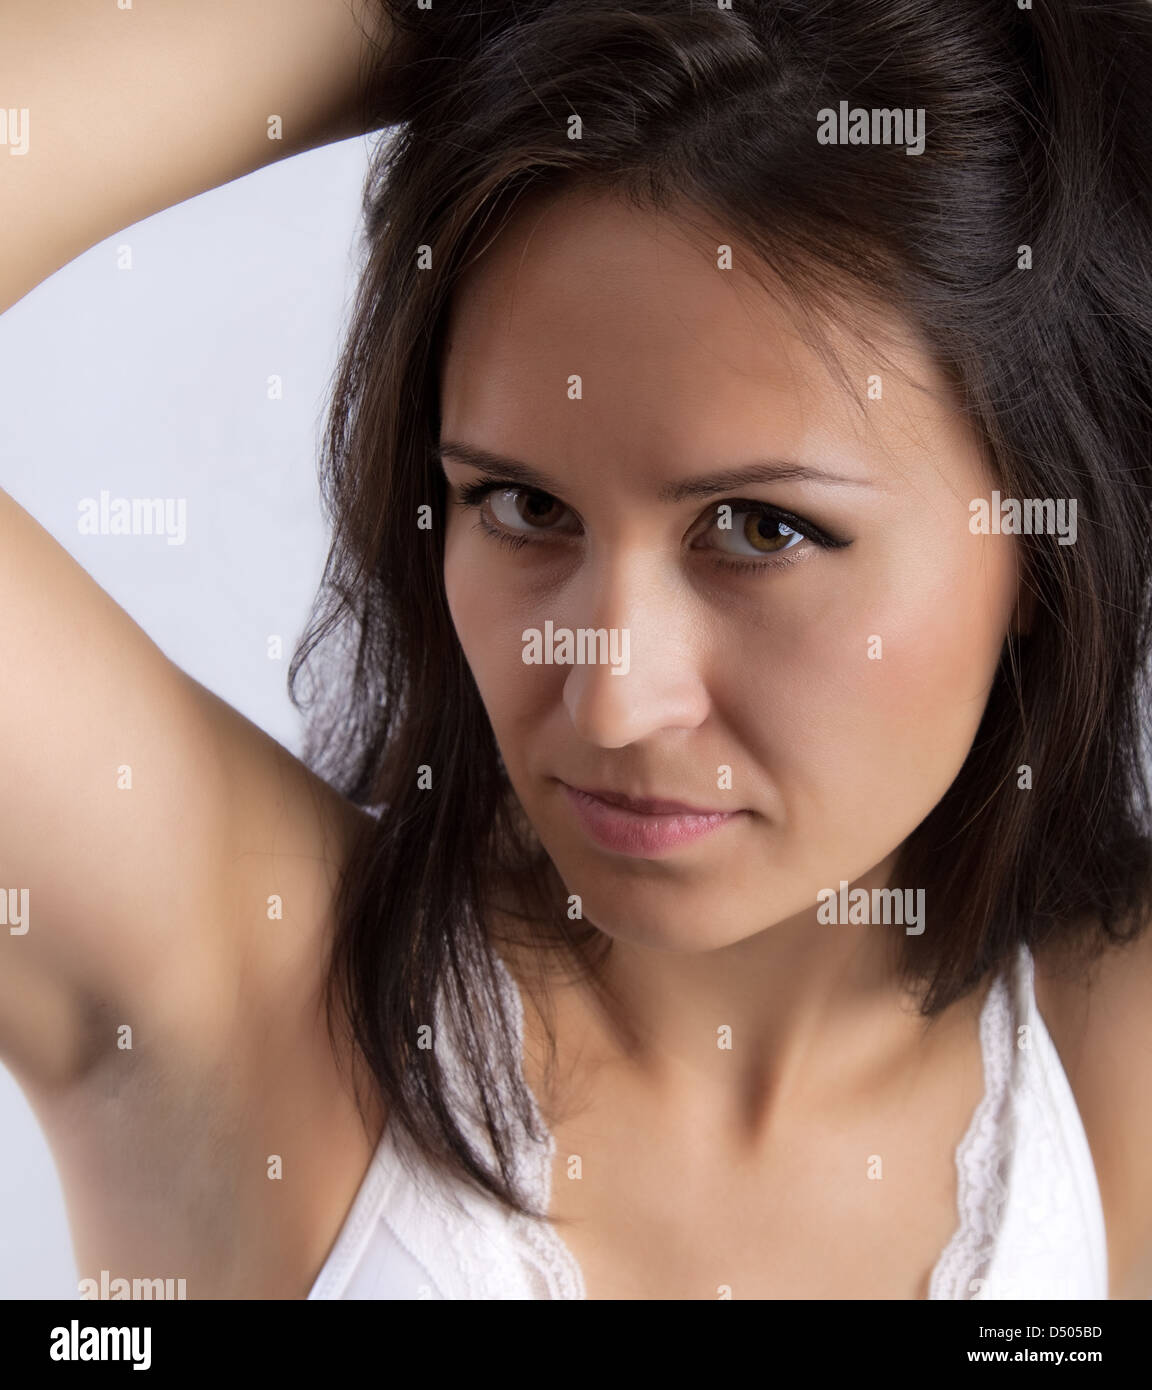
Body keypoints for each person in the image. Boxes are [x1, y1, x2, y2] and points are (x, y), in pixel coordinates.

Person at [2, 0, 1151, 1301]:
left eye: (759, 527)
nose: (611, 695)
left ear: (1053, 540)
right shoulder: (235, 991)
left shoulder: (1110, 1059)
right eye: (525, 507)